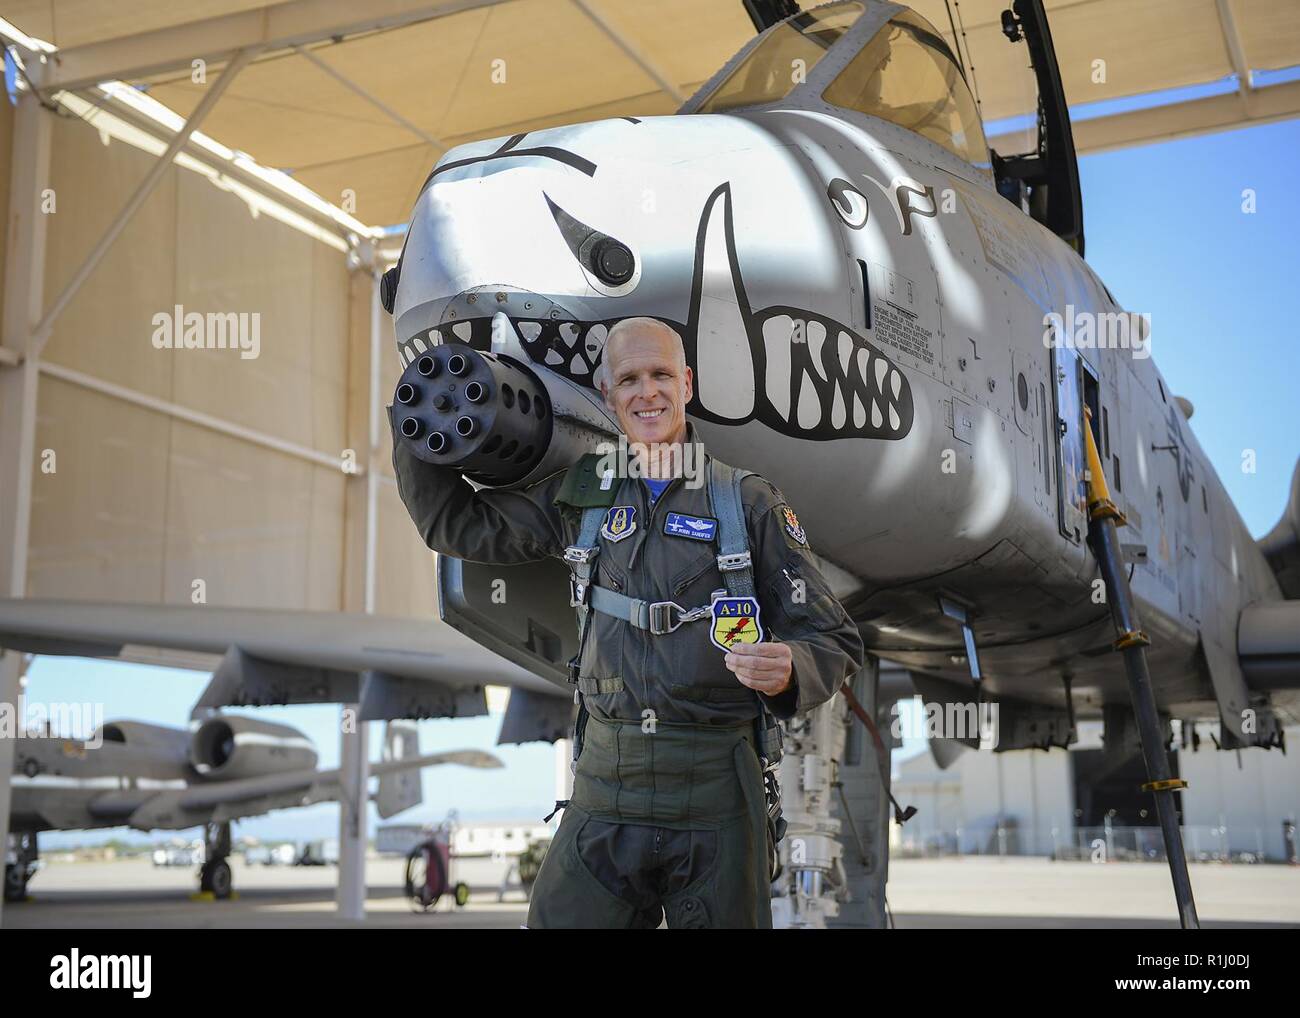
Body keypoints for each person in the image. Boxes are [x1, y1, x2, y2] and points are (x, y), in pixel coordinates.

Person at [391, 316, 864, 927]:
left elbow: (833, 637)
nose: (648, 392)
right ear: (608, 394)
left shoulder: (746, 503)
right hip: (605, 787)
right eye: (630, 379)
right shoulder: (585, 493)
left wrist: (791, 667)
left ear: (686, 383)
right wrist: (414, 417)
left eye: (661, 374)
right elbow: (457, 527)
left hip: (716, 793)